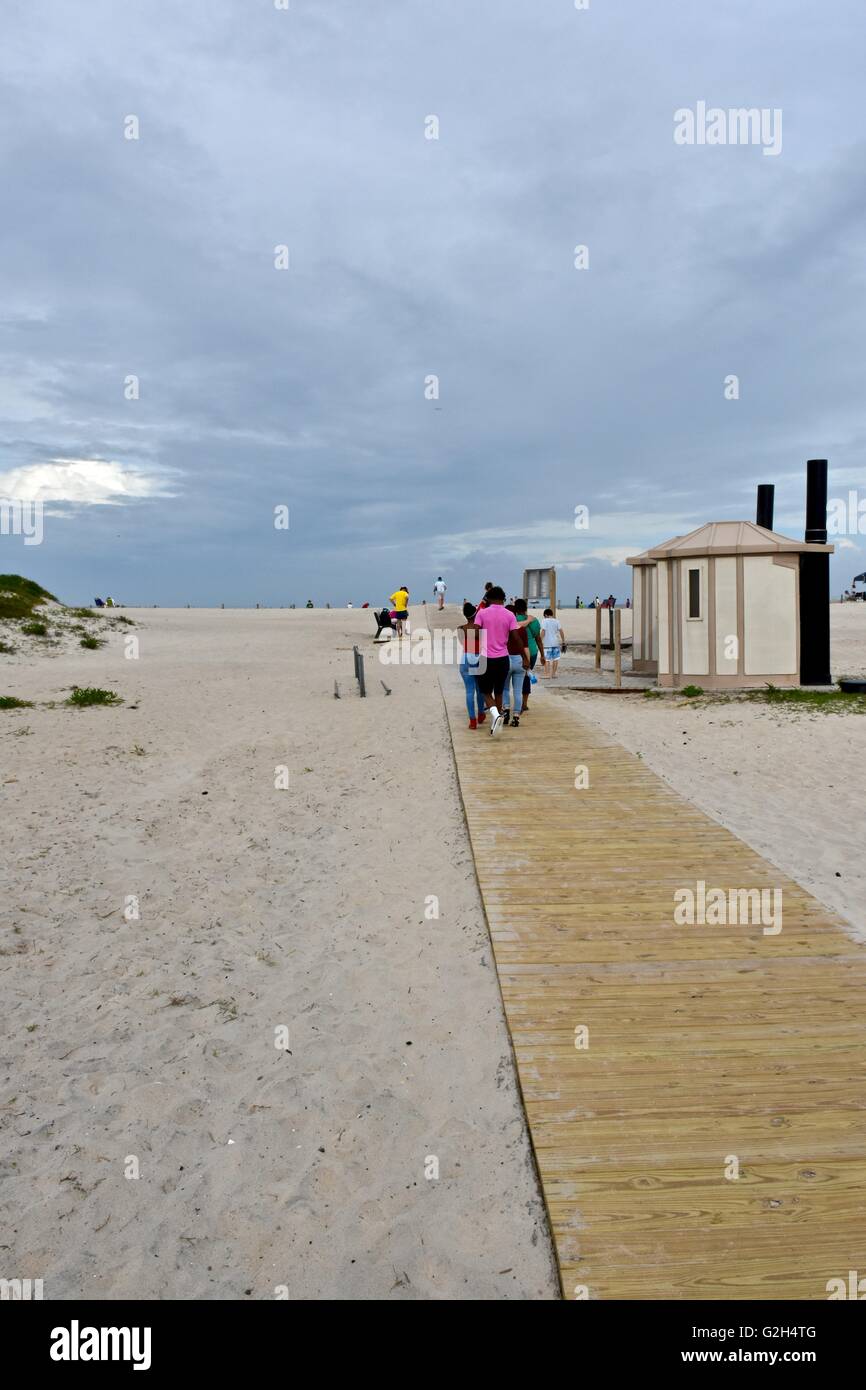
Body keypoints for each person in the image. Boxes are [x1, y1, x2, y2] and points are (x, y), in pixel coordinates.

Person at [468, 586, 516, 736]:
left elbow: (474, 634)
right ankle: (496, 724)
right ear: (503, 599)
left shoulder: (482, 613)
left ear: (488, 598)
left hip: (486, 658)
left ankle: (496, 716)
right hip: (503, 659)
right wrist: (525, 658)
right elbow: (516, 638)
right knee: (499, 691)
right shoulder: (509, 615)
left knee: (486, 692)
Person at [514, 597, 545, 714]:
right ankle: (524, 704)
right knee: (526, 675)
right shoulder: (534, 621)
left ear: (515, 609)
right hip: (532, 652)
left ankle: (516, 703)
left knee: (517, 677)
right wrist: (542, 655)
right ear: (526, 608)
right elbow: (538, 639)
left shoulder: (512, 619)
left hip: (517, 652)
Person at [500, 605, 531, 728]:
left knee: (505, 689)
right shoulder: (522, 629)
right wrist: (527, 662)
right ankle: (516, 717)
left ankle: (506, 710)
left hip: (505, 659)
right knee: (518, 691)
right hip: (519, 660)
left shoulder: (503, 628)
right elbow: (525, 648)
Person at [457, 602, 486, 729]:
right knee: (480, 690)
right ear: (476, 613)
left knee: (469, 691)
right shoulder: (481, 628)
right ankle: (481, 714)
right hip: (478, 657)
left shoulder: (460, 629)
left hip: (465, 658)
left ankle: (472, 721)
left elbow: (463, 643)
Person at [541, 608, 565, 677]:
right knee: (555, 659)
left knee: (547, 659)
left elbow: (543, 631)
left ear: (545, 615)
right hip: (555, 643)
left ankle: (547, 674)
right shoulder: (557, 621)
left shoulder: (544, 621)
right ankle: (553, 674)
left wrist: (540, 640)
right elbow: (561, 631)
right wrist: (563, 641)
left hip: (547, 643)